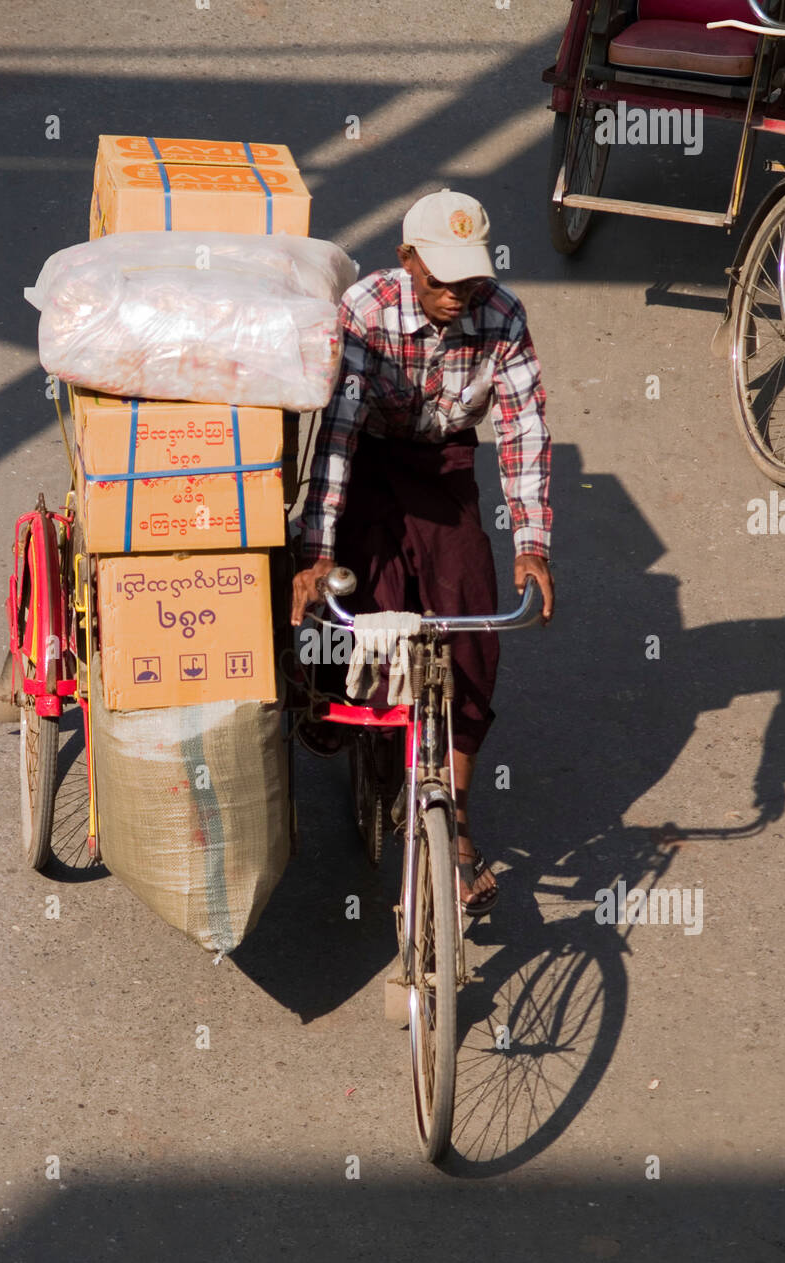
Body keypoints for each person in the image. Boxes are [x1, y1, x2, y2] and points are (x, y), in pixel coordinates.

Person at [291, 188, 554, 914]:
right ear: (406, 261)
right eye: (439, 281)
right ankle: (338, 710)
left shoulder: (501, 316)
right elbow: (338, 436)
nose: (455, 297)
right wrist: (316, 551)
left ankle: (459, 823)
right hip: (372, 463)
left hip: (444, 471)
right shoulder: (368, 311)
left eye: (467, 279)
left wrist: (532, 544)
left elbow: (524, 428)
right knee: (355, 611)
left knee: (471, 625)